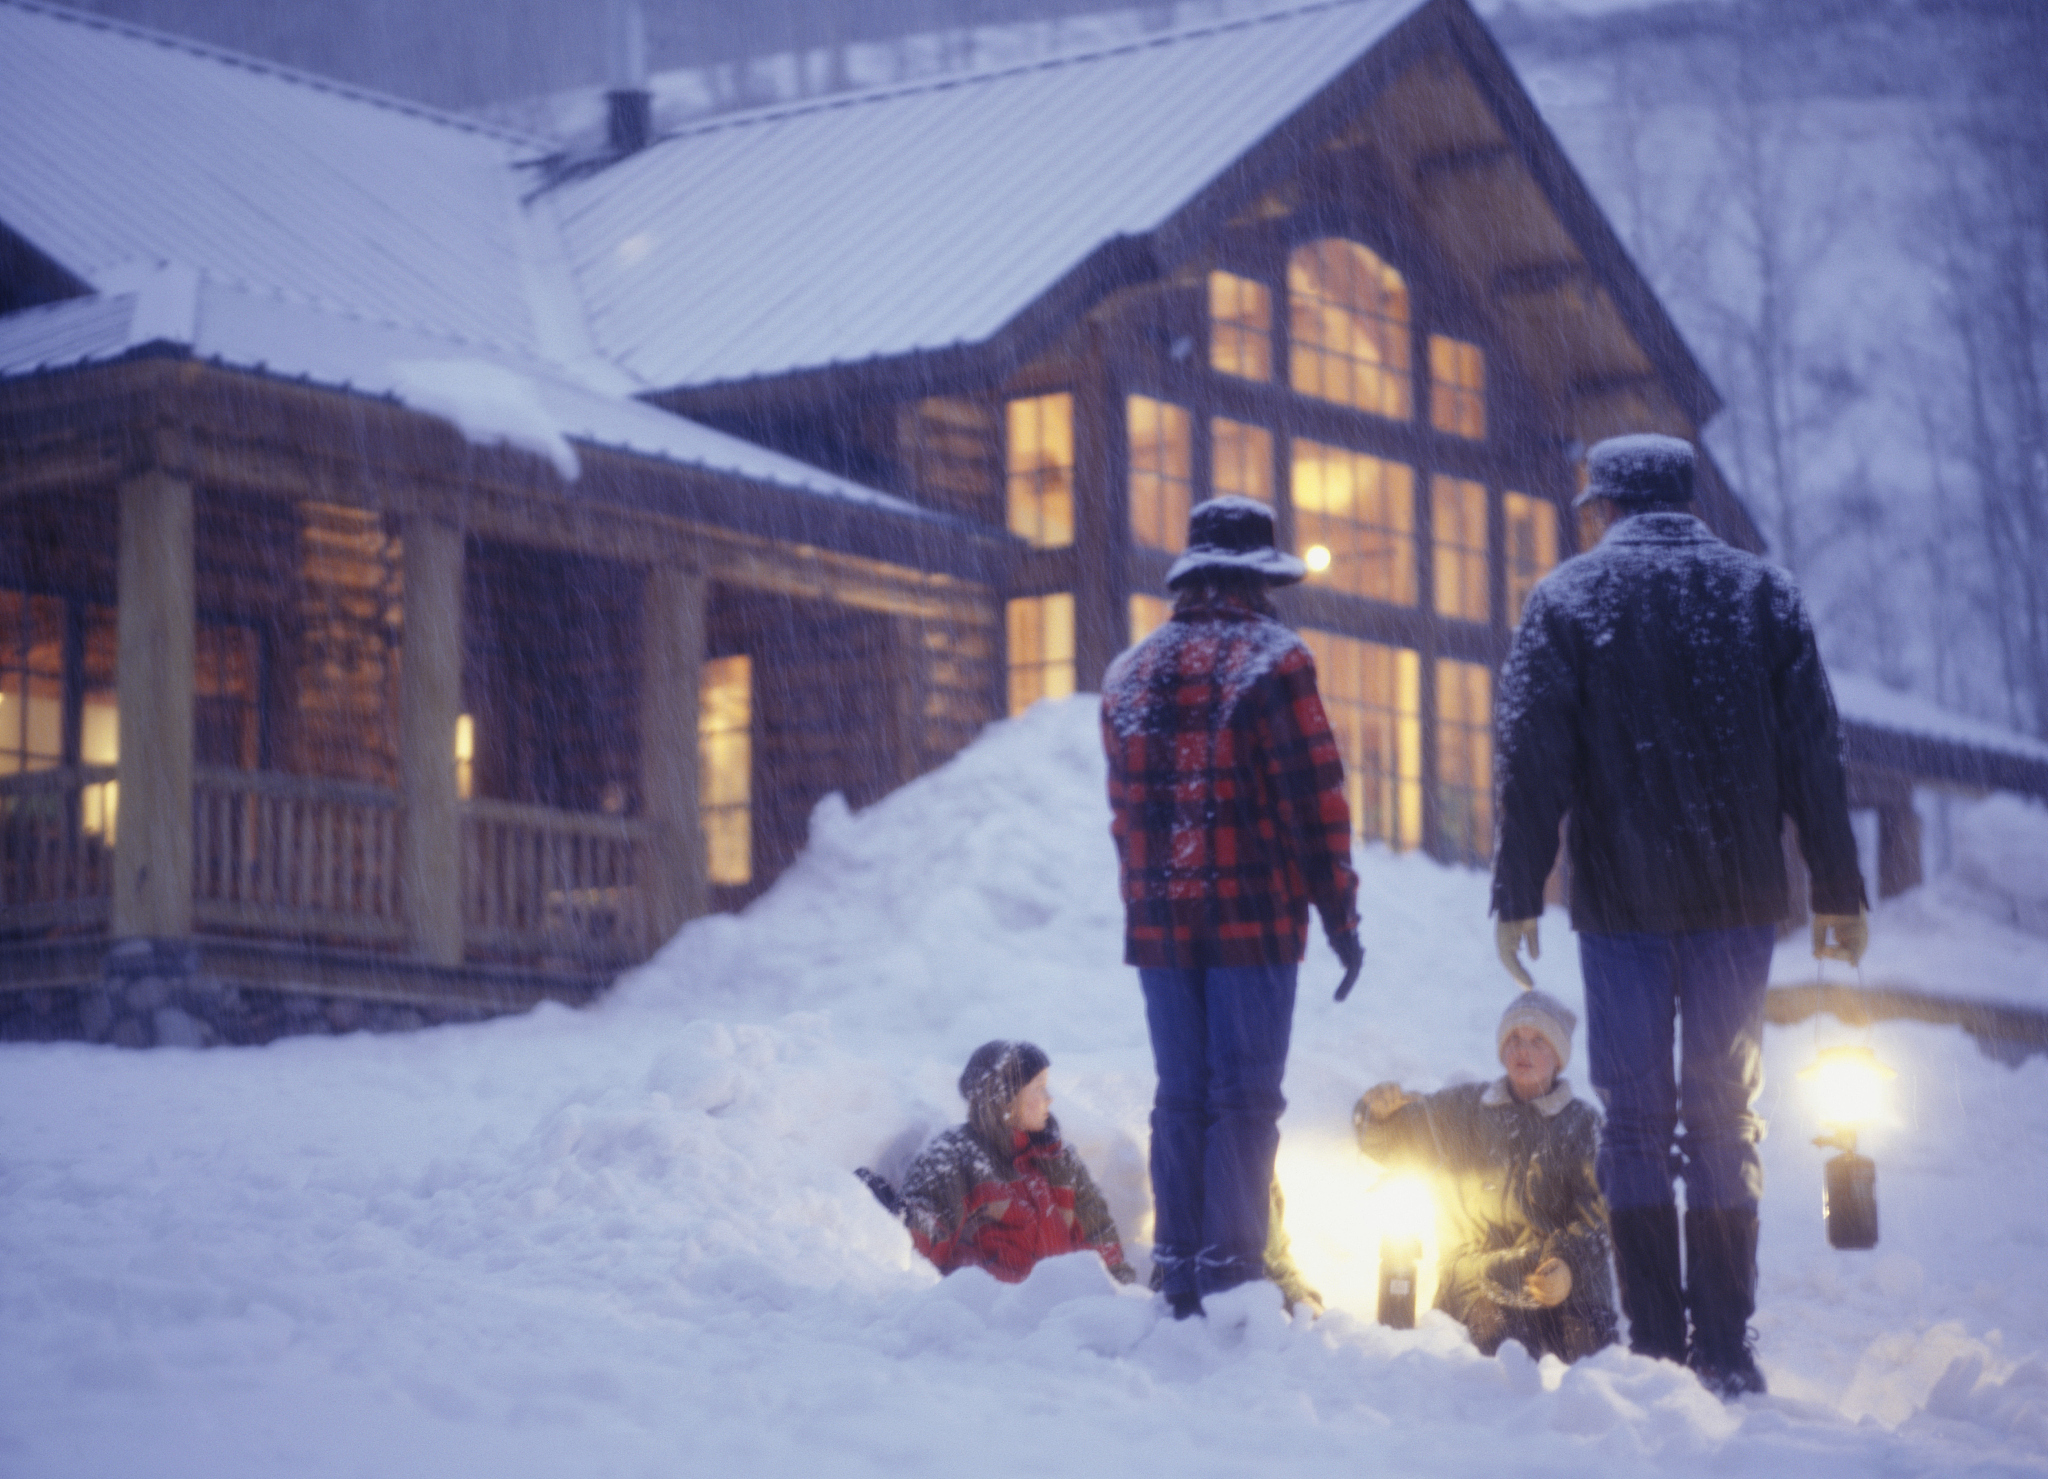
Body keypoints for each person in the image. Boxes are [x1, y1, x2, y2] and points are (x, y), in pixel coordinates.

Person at [1490, 434, 1867, 1398]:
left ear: (1603, 505)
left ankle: (1657, 1342)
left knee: (1635, 1119)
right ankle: (1728, 1346)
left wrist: (1518, 885)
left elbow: (1533, 756)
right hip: (1737, 893)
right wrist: (1836, 883)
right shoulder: (1763, 594)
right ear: (1687, 499)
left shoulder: (1569, 599)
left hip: (1620, 900)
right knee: (1723, 1114)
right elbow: (1815, 750)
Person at [1101, 495, 1364, 1319]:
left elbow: (1128, 816)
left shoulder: (1131, 671)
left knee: (1181, 1094)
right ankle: (1233, 1275)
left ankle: (1178, 1269)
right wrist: (1340, 916)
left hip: (1161, 924)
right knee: (1246, 1099)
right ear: (1258, 578)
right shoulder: (1275, 662)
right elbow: (1314, 801)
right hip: (1253, 918)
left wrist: (1156, 893)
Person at [1353, 991, 1618, 1364]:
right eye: (1513, 1039)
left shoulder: (1583, 1124)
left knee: (1592, 1354)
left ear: (1558, 1054)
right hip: (1478, 1280)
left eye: (1537, 1040)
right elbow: (1389, 1141)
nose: (1522, 1050)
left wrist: (1568, 1265)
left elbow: (1599, 1216)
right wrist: (1374, 1114)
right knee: (1497, 1348)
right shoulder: (1462, 1110)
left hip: (1564, 1283)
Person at [886, 1040, 1136, 1285]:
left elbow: (1104, 1248)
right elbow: (924, 1248)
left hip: (1063, 1317)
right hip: (995, 1318)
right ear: (1005, 1097)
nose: (1049, 1098)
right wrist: (899, 1218)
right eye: (1038, 1087)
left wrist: (1119, 1302)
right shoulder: (956, 1155)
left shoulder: (1061, 1161)